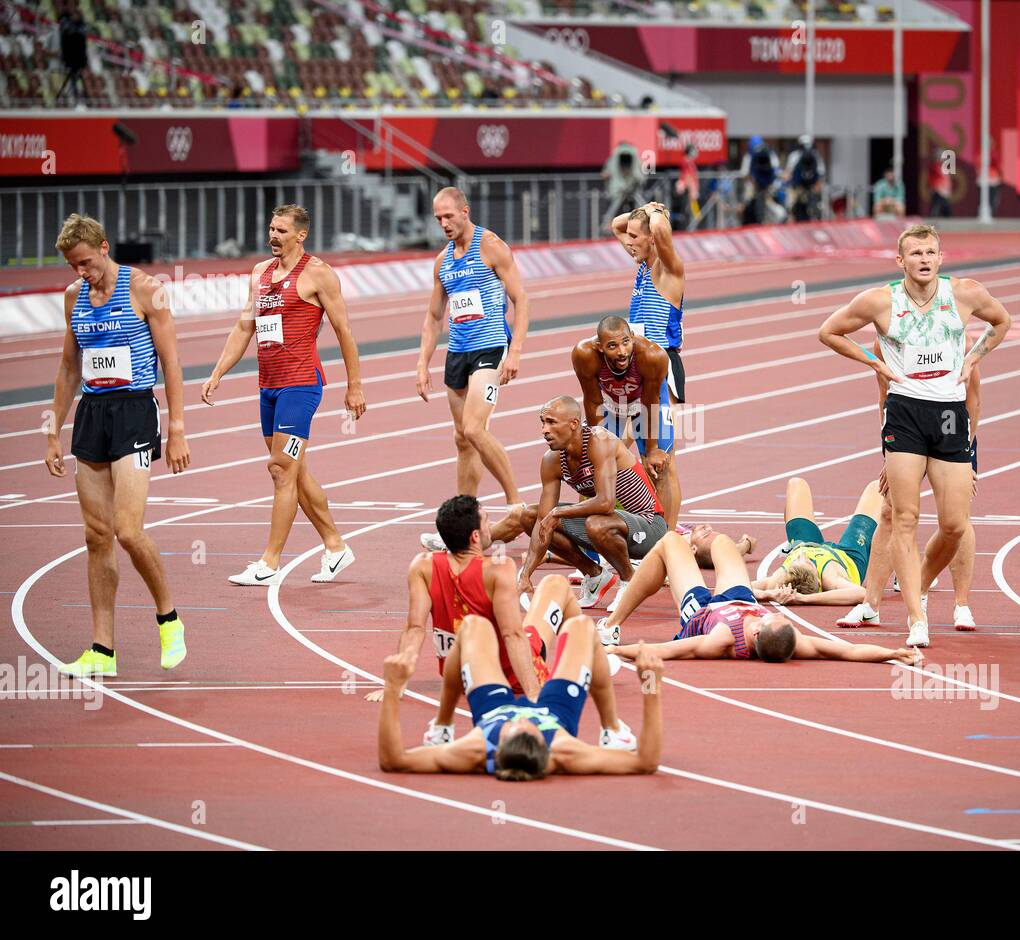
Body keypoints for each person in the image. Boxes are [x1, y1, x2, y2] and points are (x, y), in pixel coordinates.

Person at [818, 223, 1011, 648]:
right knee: (902, 517)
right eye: (916, 253)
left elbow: (1001, 321)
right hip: (905, 412)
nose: (924, 260)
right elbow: (829, 331)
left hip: (948, 416)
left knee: (956, 523)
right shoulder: (880, 301)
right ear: (900, 261)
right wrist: (874, 362)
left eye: (931, 253)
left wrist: (972, 359)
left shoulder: (964, 294)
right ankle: (915, 617)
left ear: (940, 258)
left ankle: (921, 584)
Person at [373, 494, 637, 750]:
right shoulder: (498, 570)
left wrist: (394, 684)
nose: (491, 528)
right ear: (475, 537)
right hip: (510, 676)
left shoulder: (423, 565)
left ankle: (443, 725)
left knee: (540, 598)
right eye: (487, 522)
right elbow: (513, 636)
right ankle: (596, 659)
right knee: (556, 585)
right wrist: (534, 696)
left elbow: (415, 628)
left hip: (463, 676)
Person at [46, 213, 191, 676]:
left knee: (128, 530)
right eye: (73, 266)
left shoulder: (146, 289)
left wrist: (178, 429)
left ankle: (169, 619)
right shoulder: (74, 297)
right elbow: (70, 366)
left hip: (134, 411)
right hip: (92, 414)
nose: (81, 273)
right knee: (95, 536)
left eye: (86, 262)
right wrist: (54, 429)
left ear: (105, 247)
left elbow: (171, 363)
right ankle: (102, 650)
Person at [203, 205, 366, 586]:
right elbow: (245, 327)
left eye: (281, 231)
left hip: (301, 385)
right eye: (271, 228)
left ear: (300, 235)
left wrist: (354, 385)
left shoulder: (318, 275)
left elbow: (344, 330)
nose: (273, 236)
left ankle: (269, 563)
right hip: (269, 386)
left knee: (280, 470)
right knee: (293, 471)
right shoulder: (259, 274)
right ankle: (336, 546)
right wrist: (217, 372)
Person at [377, 616, 663, 779]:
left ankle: (443, 725)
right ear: (545, 746)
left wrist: (392, 687)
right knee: (581, 627)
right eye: (533, 728)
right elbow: (646, 763)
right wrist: (651, 685)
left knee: (474, 626)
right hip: (556, 716)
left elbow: (394, 760)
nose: (525, 716)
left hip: (493, 711)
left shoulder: (474, 749)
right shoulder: (565, 752)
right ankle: (611, 730)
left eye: (518, 724)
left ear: (498, 743)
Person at [601, 532, 921, 666]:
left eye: (768, 616)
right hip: (739, 600)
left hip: (704, 610)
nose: (773, 613)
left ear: (756, 634)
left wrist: (616, 650)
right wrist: (891, 653)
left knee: (671, 542)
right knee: (723, 542)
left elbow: (667, 650)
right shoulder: (788, 639)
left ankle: (612, 624)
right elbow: (848, 651)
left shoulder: (720, 640)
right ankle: (727, 548)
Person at [839, 337, 981, 631]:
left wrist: (967, 450)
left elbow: (974, 397)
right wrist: (886, 454)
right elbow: (884, 396)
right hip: (906, 427)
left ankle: (961, 604)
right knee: (890, 510)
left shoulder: (958, 336)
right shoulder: (885, 342)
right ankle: (870, 605)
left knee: (957, 520)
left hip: (950, 426)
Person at [416, 188, 530, 554]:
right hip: (458, 353)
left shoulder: (491, 246)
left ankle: (516, 504)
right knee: (462, 441)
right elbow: (435, 317)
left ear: (465, 211)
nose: (444, 224)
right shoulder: (443, 261)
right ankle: (461, 529)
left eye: (449, 216)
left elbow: (521, 299)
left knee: (474, 428)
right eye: (438, 219)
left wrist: (515, 352)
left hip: (491, 347)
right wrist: (422, 363)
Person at [513, 397, 668, 609]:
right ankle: (595, 576)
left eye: (551, 422)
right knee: (530, 516)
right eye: (542, 422)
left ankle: (629, 580)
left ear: (574, 424)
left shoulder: (599, 441)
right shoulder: (552, 460)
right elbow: (542, 519)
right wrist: (525, 575)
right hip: (609, 526)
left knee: (595, 523)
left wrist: (558, 512)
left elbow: (605, 502)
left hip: (649, 526)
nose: (544, 430)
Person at [610, 201, 686, 525]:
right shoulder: (641, 265)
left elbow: (658, 230)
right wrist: (644, 209)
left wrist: (657, 214)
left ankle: (666, 537)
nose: (628, 243)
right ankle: (653, 528)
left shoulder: (669, 271)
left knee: (663, 461)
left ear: (652, 239)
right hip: (633, 369)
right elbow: (616, 223)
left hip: (661, 366)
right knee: (619, 449)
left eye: (635, 238)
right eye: (629, 238)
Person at [572, 315, 679, 528]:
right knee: (593, 468)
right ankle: (590, 545)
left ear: (633, 337)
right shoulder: (584, 354)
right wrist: (596, 444)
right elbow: (592, 401)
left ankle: (666, 539)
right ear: (599, 347)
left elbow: (650, 403)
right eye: (612, 346)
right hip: (610, 403)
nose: (621, 351)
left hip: (646, 402)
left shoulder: (652, 355)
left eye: (625, 342)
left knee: (661, 467)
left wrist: (652, 450)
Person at [749, 478, 881, 607]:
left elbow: (733, 585)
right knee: (878, 487)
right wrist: (804, 599)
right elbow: (861, 593)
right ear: (819, 581)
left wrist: (768, 595)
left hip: (807, 544)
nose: (804, 556)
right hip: (849, 557)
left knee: (796, 483)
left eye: (796, 560)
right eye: (809, 562)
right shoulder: (830, 579)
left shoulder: (780, 579)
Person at [602, 141, 647, 222]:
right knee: (615, 209)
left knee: (638, 207)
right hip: (619, 189)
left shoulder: (635, 158)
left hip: (632, 189)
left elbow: (640, 175)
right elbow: (606, 174)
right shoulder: (613, 160)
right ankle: (608, 225)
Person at [739, 135, 779, 225]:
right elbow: (745, 175)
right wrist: (755, 181)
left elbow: (775, 172)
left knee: (771, 210)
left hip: (769, 188)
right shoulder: (749, 156)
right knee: (750, 210)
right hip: (753, 189)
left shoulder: (770, 155)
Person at [785, 134, 824, 222]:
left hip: (803, 189)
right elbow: (821, 174)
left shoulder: (794, 156)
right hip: (802, 189)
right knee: (793, 209)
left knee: (791, 209)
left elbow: (788, 174)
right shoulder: (816, 156)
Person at [927, 150, 953, 218]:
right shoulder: (934, 167)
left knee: (945, 208)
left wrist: (948, 190)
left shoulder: (943, 168)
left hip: (943, 192)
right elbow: (933, 179)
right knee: (936, 207)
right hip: (937, 190)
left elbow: (947, 180)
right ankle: (932, 220)